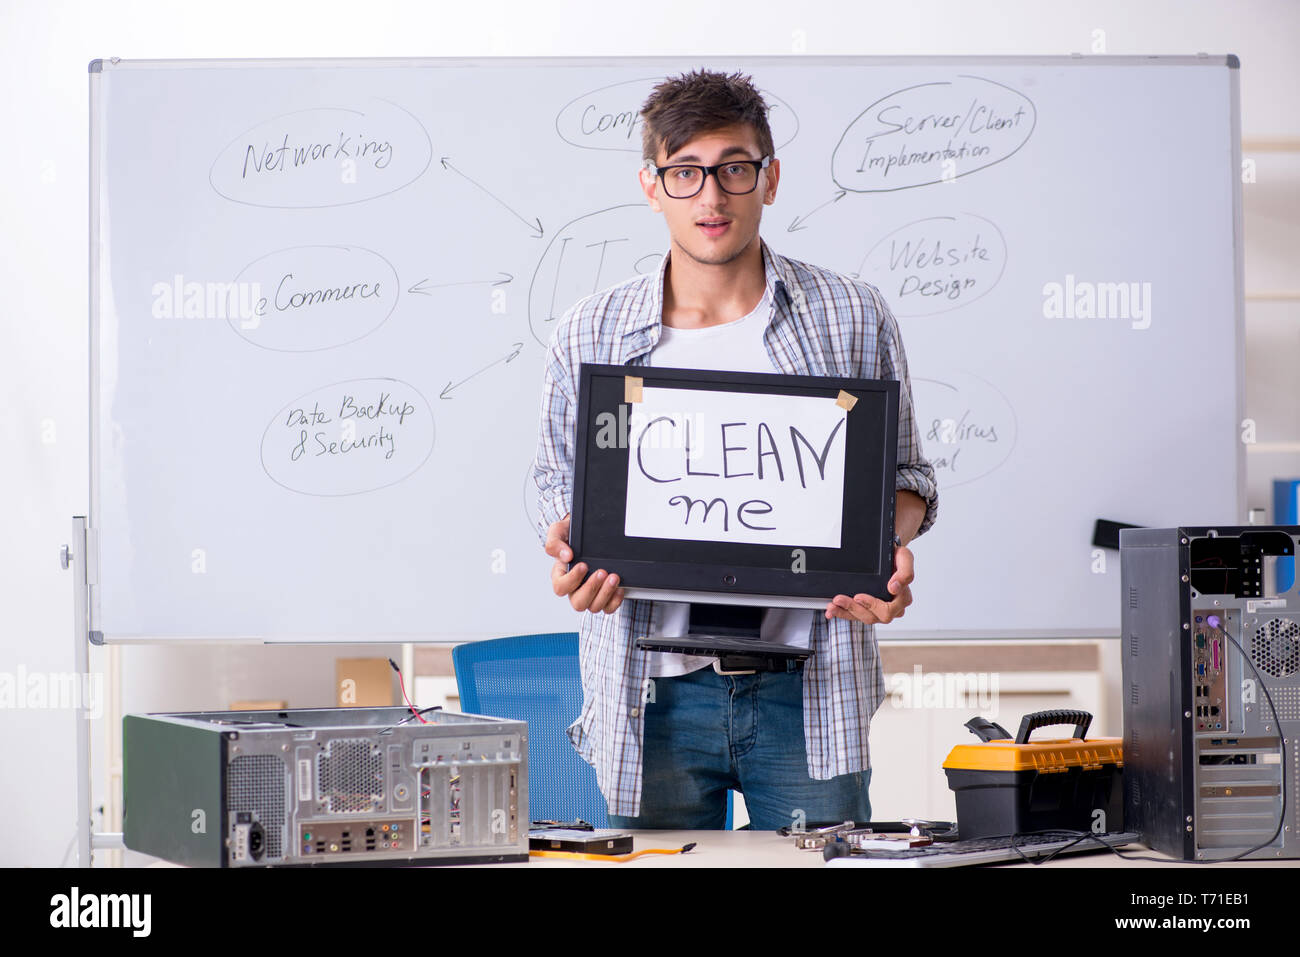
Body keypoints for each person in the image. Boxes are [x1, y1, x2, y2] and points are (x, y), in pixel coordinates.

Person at [531, 69, 938, 830]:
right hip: (650, 686)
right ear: (652, 186)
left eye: (734, 168)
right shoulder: (589, 333)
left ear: (770, 179)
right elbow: (559, 482)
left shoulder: (851, 314)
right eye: (685, 172)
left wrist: (885, 545)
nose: (711, 196)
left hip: (809, 683)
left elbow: (908, 480)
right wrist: (572, 547)